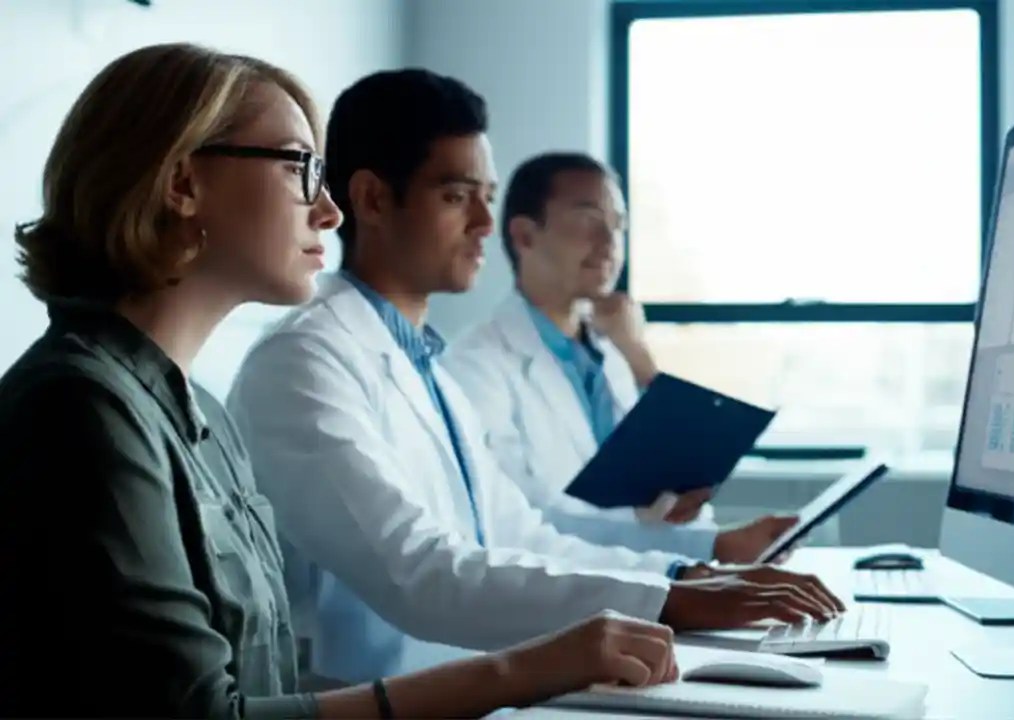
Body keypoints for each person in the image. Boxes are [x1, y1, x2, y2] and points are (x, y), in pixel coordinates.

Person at [0, 43, 685, 719]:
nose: (328, 211)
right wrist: (527, 668)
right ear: (183, 184)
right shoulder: (80, 408)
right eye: (301, 168)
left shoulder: (193, 410)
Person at [225, 67, 844, 683]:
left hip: (480, 680)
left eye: (487, 197)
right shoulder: (304, 361)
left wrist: (681, 577)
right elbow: (419, 573)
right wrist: (673, 597)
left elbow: (521, 535)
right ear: (372, 199)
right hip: (385, 692)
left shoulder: (420, 362)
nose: (485, 226)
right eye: (456, 196)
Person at [443, 151, 779, 560]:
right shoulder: (475, 365)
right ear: (524, 236)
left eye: (617, 226)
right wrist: (712, 547)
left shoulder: (614, 354)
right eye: (588, 220)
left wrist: (639, 358)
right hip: (565, 598)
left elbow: (645, 505)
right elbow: (524, 521)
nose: (609, 245)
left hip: (649, 581)